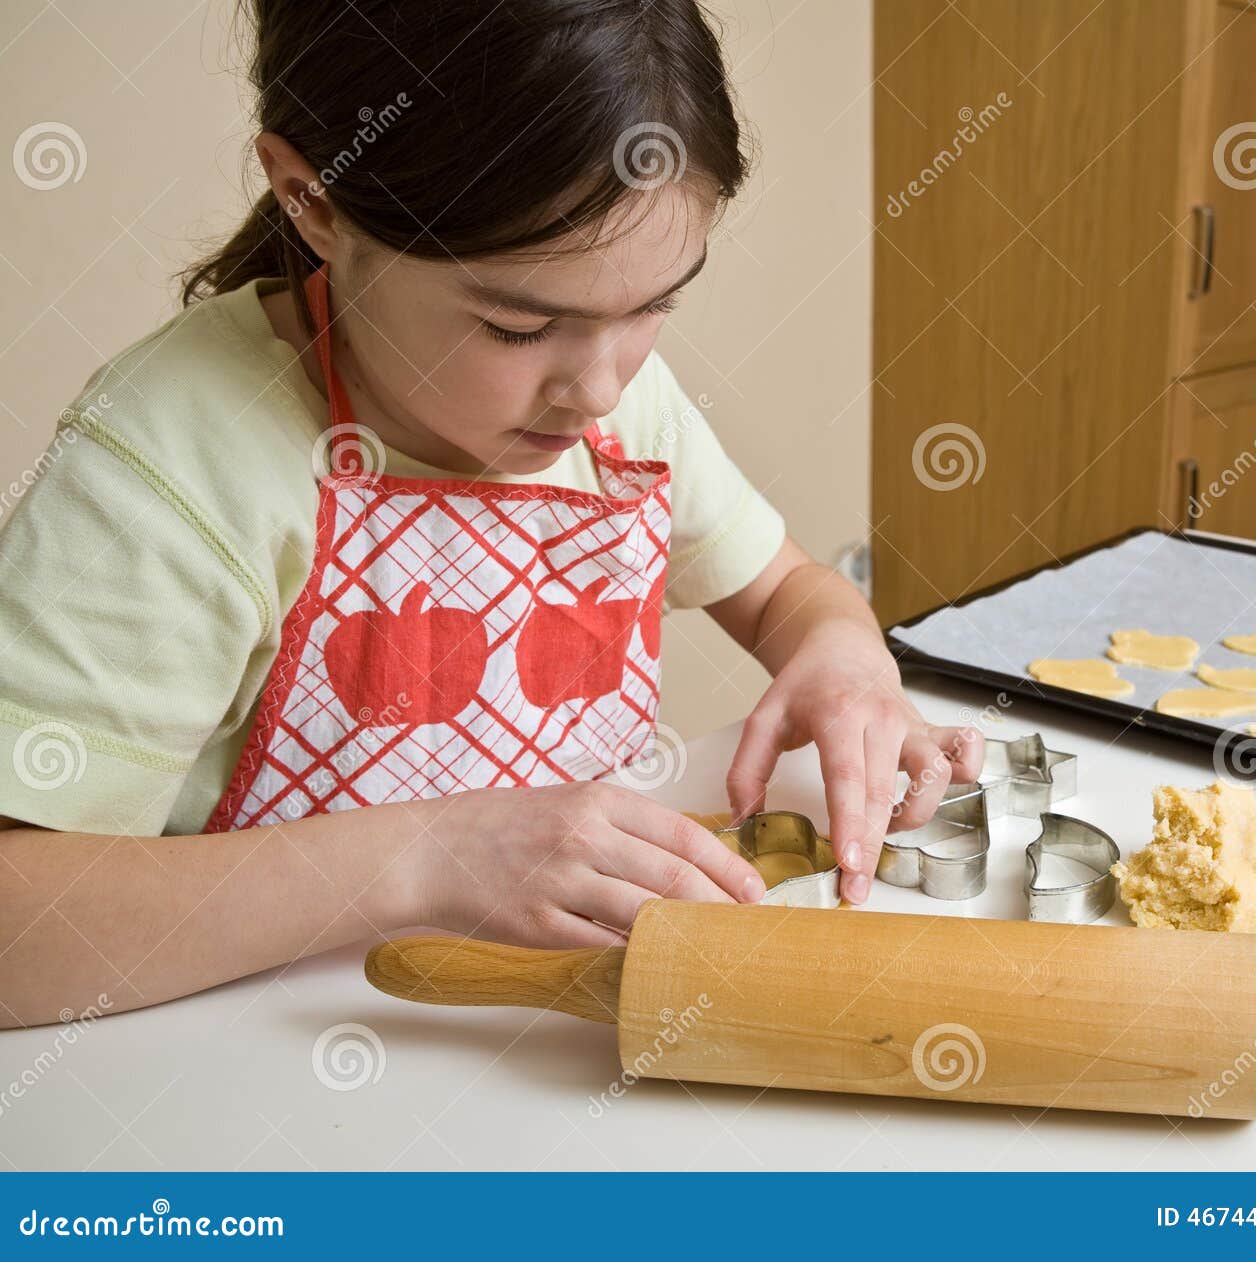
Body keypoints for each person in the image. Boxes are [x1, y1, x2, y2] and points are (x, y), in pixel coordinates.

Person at [0, 0, 980, 1027]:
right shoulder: (177, 458)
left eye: (653, 307)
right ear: (314, 201)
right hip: (266, 1079)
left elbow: (784, 589)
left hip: (553, 1038)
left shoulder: (613, 412)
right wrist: (428, 853)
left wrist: (846, 655)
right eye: (518, 326)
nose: (600, 388)